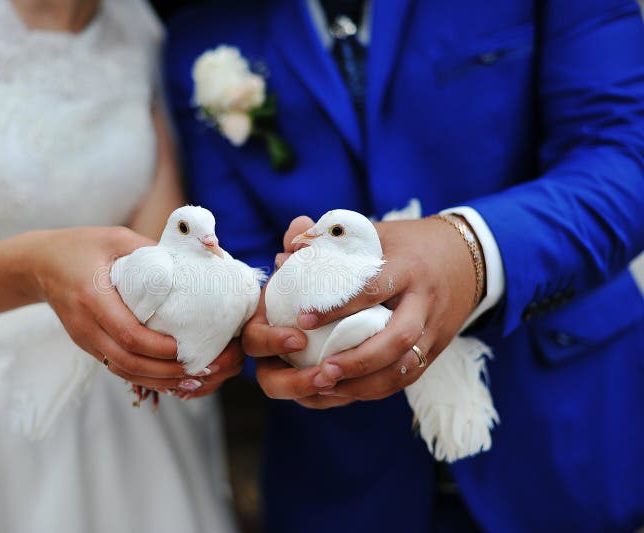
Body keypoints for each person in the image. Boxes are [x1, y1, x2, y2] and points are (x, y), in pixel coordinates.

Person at [165, 0, 644, 531]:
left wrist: (472, 249)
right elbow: (235, 253)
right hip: (339, 478)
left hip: (564, 440)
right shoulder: (199, 34)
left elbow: (625, 156)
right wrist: (268, 325)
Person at [0, 1, 239, 532]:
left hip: (112, 421)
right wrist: (29, 272)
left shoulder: (137, 28)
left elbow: (161, 248)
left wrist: (196, 336)